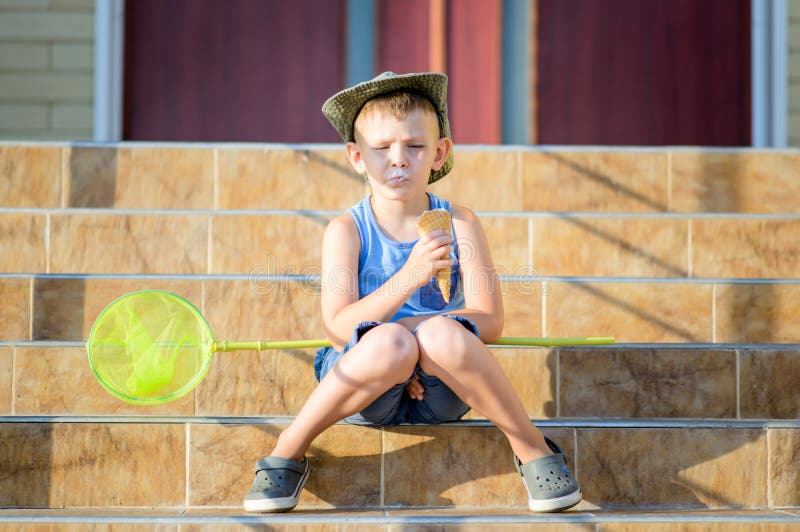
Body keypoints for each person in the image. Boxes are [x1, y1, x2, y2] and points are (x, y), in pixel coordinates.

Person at [243, 71, 581, 513]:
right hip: (368, 383)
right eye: (382, 148)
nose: (398, 160)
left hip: (442, 386)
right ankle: (289, 446)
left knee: (438, 335)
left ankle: (531, 447)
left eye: (415, 146)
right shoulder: (347, 230)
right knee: (390, 343)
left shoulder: (459, 223)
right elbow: (337, 329)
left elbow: (490, 321)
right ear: (356, 156)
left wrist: (417, 340)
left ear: (439, 153)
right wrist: (410, 278)